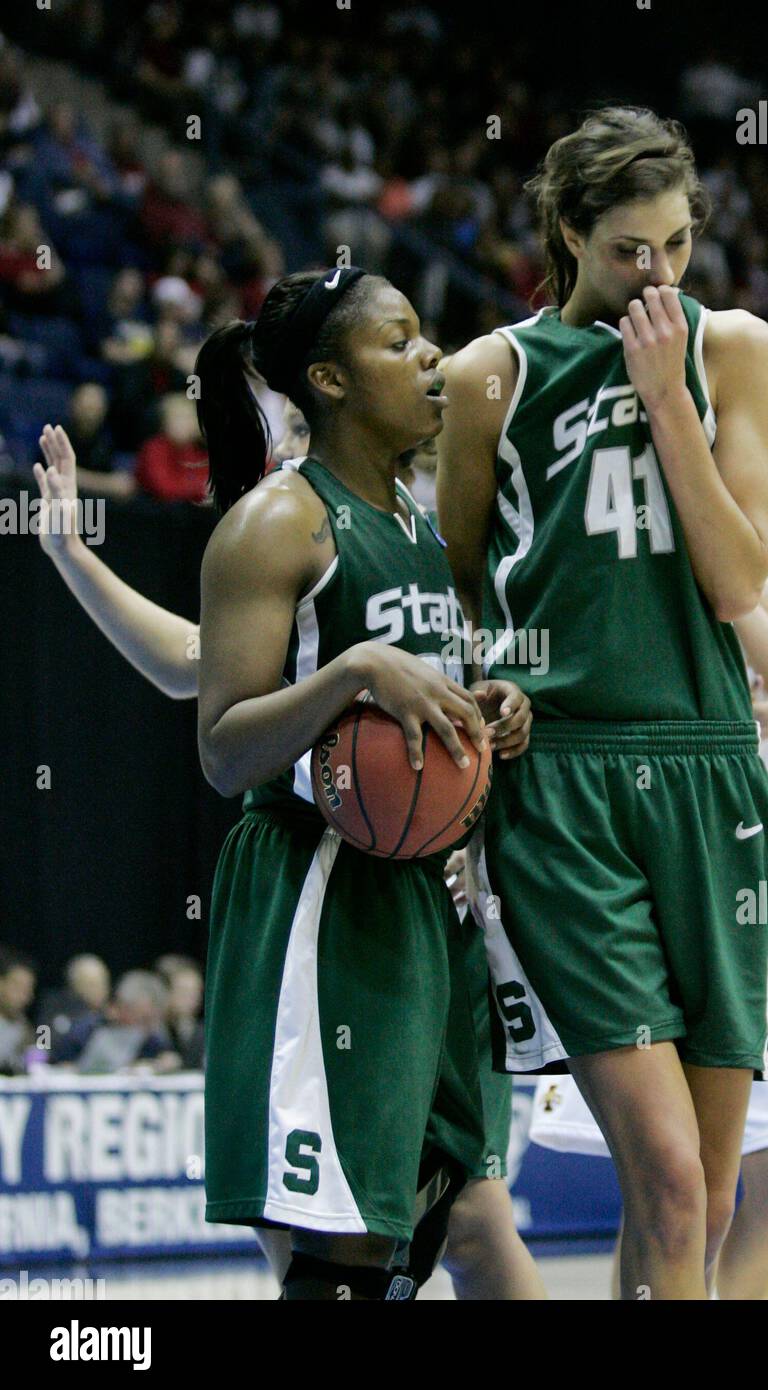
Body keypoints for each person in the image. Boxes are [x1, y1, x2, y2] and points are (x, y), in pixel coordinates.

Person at [35, 267, 543, 1300]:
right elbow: (222, 740)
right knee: (338, 1250)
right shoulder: (280, 523)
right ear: (329, 378)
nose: (432, 357)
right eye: (398, 342)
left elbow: (380, 700)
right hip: (322, 895)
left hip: (429, 893)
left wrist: (478, 711)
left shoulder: (412, 514)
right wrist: (355, 673)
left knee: (463, 1212)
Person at [438, 105, 768, 1299]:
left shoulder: (734, 349)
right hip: (567, 780)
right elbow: (452, 589)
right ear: (571, 234)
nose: (660, 273)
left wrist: (667, 399)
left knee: (713, 1196)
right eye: (632, 248)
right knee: (671, 1177)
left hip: (713, 765)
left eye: (679, 246)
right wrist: (484, 689)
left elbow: (743, 581)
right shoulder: (492, 373)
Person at [528, 571, 768, 1299]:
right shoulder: (620, 582)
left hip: (765, 895)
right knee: (670, 1182)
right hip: (645, 882)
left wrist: (729, 596)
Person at [0, 946, 36, 1076]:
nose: (24, 996)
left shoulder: (26, 1028)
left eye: (28, 990)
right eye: (18, 987)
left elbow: (35, 1066)